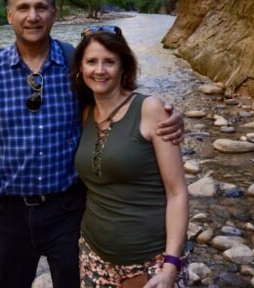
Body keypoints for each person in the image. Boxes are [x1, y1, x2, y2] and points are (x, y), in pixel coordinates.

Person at [0, 0, 185, 288]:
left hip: (70, 212)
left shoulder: (77, 65)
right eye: (23, 8)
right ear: (9, 15)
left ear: (54, 13)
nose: (32, 16)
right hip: (10, 216)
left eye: (40, 7)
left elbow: (120, 101)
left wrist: (169, 114)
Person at [73, 26, 189, 288]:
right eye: (91, 61)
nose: (99, 70)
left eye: (109, 62)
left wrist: (171, 264)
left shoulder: (151, 109)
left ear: (123, 67)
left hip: (150, 261)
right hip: (93, 258)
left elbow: (177, 193)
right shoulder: (84, 113)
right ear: (80, 68)